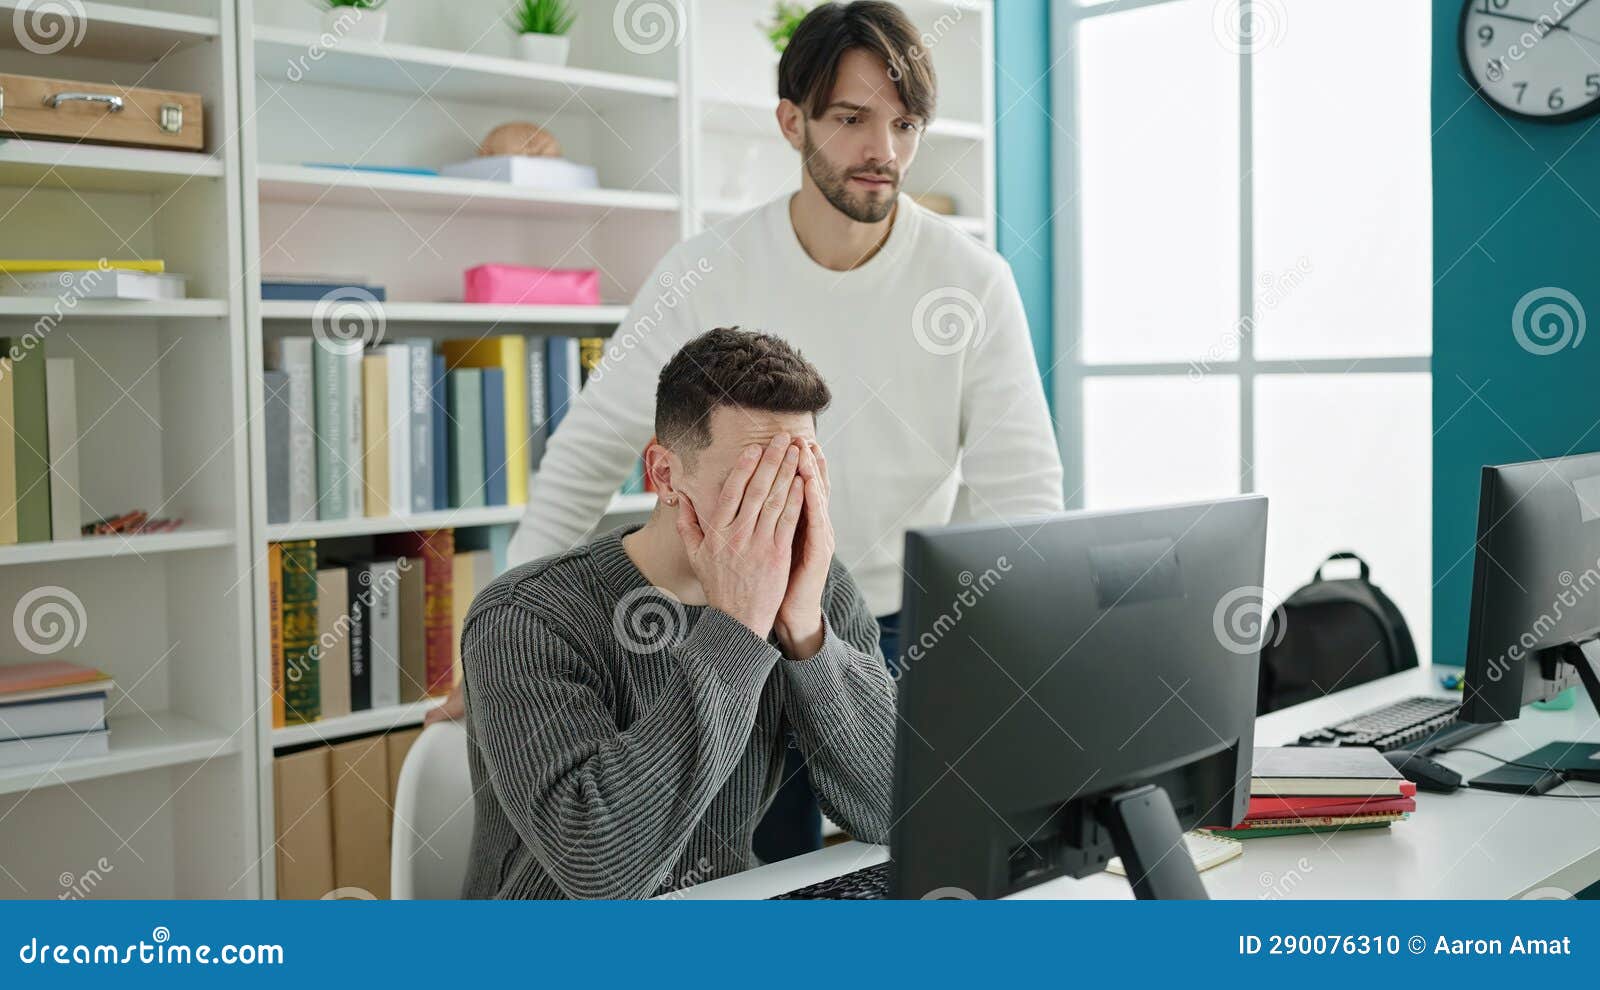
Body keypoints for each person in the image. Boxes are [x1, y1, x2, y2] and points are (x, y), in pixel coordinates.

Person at [434, 0, 1063, 862]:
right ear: (791, 120)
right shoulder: (707, 266)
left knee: (913, 843)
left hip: (889, 616)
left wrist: (984, 660)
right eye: (851, 119)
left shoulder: (971, 281)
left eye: (905, 123)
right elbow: (592, 448)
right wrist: (501, 641)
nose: (884, 151)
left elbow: (1018, 495)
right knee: (731, 857)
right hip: (728, 603)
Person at [459, 328, 894, 899]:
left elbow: (898, 811)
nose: (780, 507)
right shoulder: (524, 616)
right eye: (751, 480)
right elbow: (601, 872)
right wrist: (736, 629)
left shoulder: (816, 587)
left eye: (796, 474)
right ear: (664, 474)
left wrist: (807, 635)